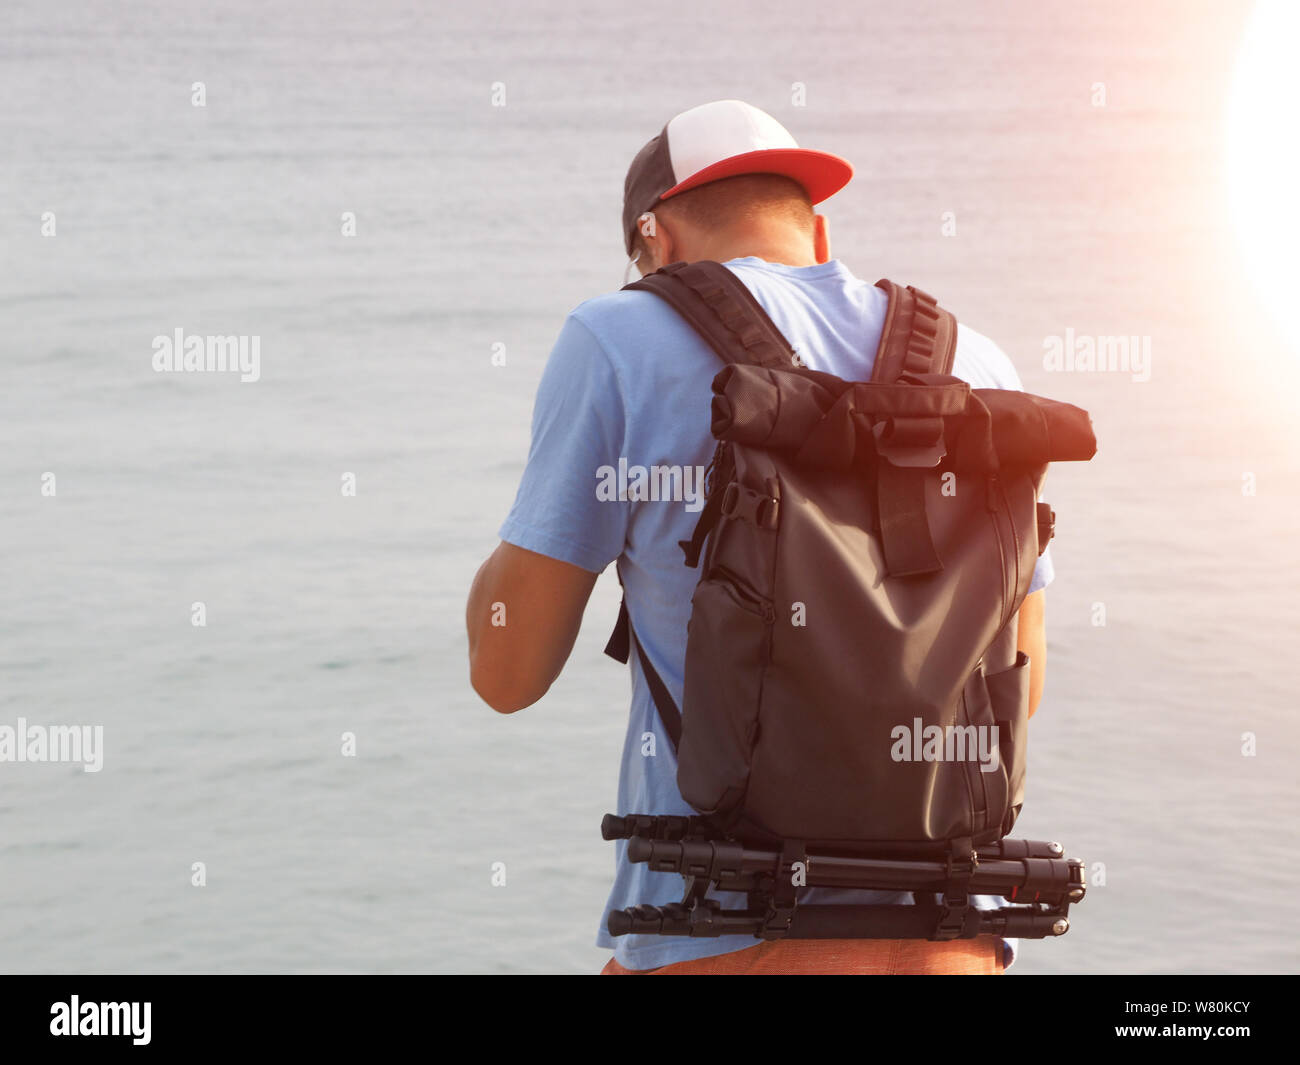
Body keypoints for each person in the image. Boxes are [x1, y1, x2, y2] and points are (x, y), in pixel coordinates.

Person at [466, 99, 1051, 975]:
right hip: (948, 940)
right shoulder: (979, 366)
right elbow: (1023, 685)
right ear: (817, 232)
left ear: (653, 237)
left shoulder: (617, 335)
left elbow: (507, 674)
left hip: (726, 933)